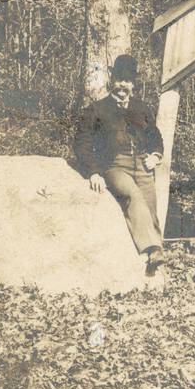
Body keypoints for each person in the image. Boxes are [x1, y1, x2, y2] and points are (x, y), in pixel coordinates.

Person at [73, 54, 166, 276]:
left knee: (150, 204)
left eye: (128, 80)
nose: (123, 85)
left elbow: (155, 137)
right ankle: (152, 249)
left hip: (142, 165)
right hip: (115, 166)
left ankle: (157, 258)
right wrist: (94, 172)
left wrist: (155, 155)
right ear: (111, 82)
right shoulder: (96, 110)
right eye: (119, 79)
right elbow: (82, 143)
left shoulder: (142, 108)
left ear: (134, 84)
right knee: (132, 195)